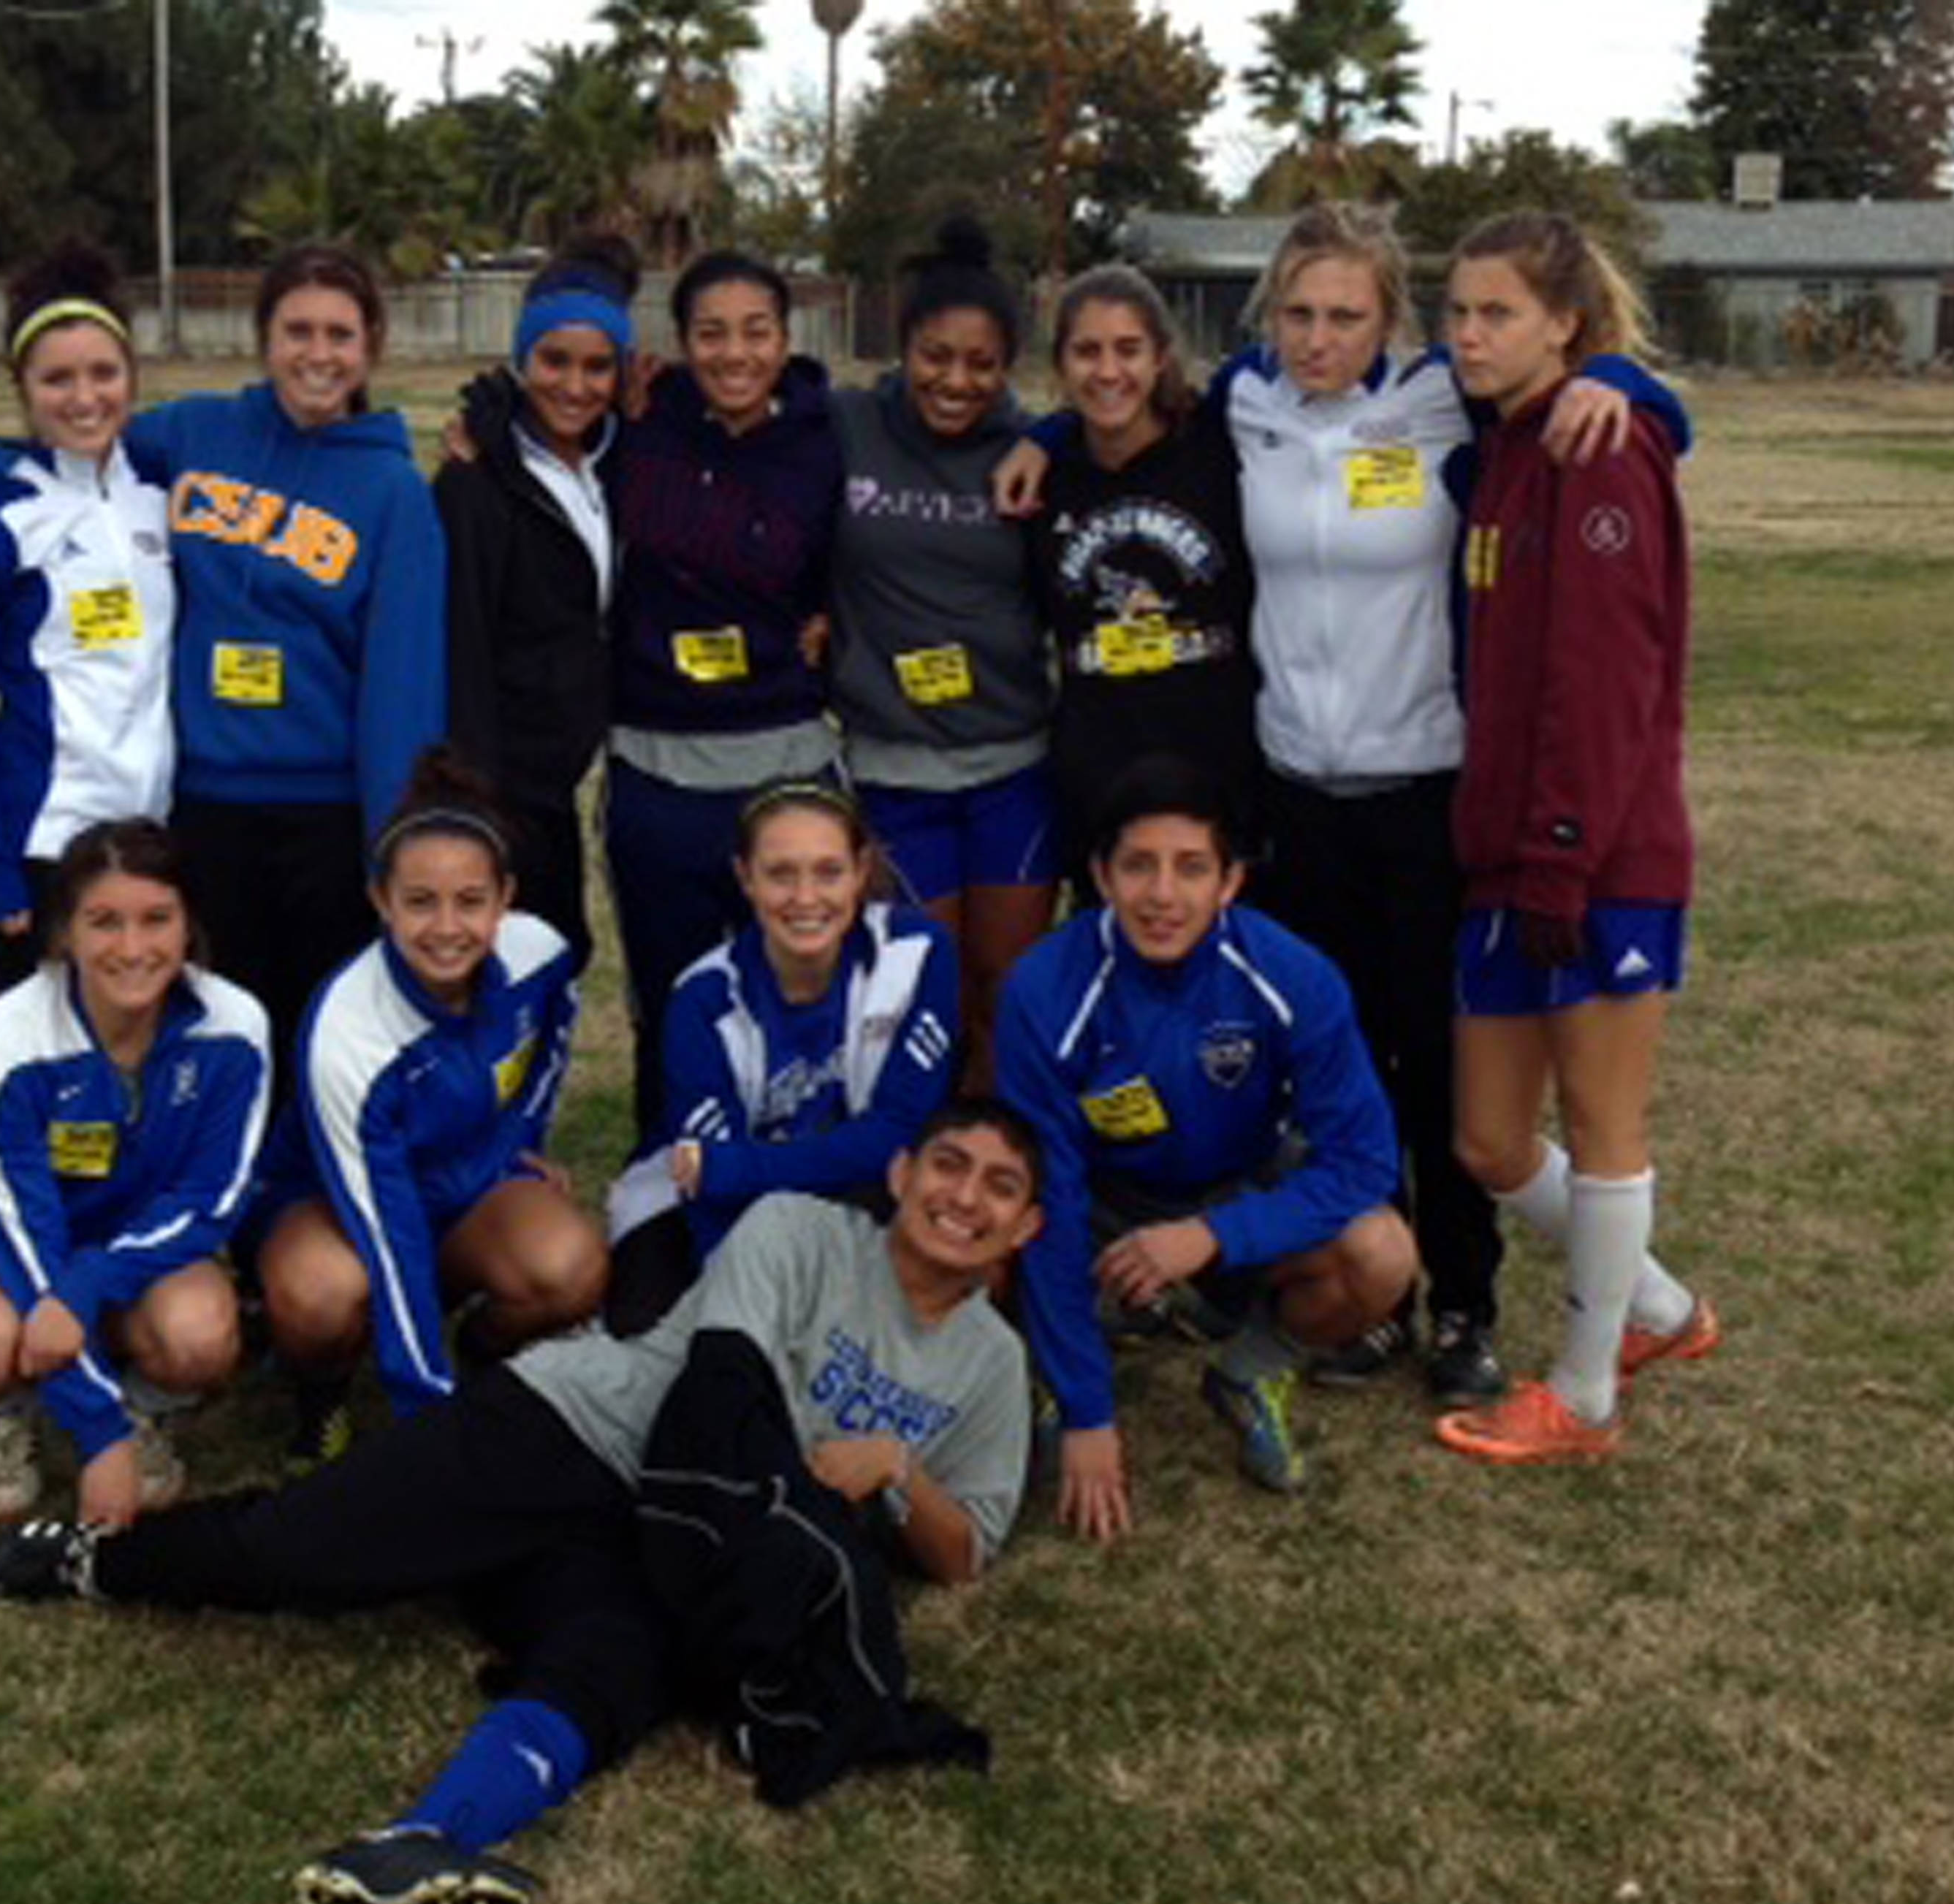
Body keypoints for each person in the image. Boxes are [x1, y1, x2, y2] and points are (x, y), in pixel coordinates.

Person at [0, 1104, 1049, 1904]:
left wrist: (900, 1470)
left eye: (1001, 1188)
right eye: (948, 1167)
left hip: (668, 1543)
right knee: (306, 1552)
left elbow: (964, 1555)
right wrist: (809, 1511)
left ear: (1027, 1225)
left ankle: (418, 1845)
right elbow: (719, 1402)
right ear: (902, 1174)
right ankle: (87, 1558)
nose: (966, 1198)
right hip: (578, 1431)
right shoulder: (800, 1228)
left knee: (611, 1676)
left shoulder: (992, 1368)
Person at [1003, 204, 1690, 1406]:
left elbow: (1587, 393)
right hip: (1290, 793)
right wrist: (1048, 432)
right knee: (1324, 1064)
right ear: (1270, 319)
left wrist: (1631, 382)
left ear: (1393, 321)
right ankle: (1367, 1299)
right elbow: (1127, 404)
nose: (1319, 340)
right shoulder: (1246, 406)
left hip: (1424, 788)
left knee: (1436, 1065)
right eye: (1300, 315)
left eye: (1348, 317)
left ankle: (1466, 1304)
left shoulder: (1446, 402)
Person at [1432, 213, 1718, 1466]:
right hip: (1504, 856)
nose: (1468, 336)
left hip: (1599, 859)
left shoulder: (1602, 450)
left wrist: (1559, 849)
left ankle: (1587, 1395)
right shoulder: (1500, 450)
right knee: (1487, 1139)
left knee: (1606, 1126)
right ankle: (1658, 1307)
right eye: (1455, 312)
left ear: (1566, 325)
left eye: (1497, 314)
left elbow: (1601, 684)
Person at [994, 758, 1420, 1538]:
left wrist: (1213, 1237)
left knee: (1384, 1254)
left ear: (1230, 883)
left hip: (1234, 1193)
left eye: (1191, 868)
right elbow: (1047, 1191)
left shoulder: (1293, 975)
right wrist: (1090, 1411)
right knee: (981, 1232)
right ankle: (1059, 1366)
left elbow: (1364, 1162)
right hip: (1100, 1207)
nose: (1162, 895)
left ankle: (1250, 1368)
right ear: (1099, 874)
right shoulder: (1043, 989)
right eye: (1138, 866)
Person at [127, 243, 446, 1078]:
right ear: (263, 337)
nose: (318, 353)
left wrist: (393, 843)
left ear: (371, 346)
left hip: (325, 816)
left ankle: (309, 1202)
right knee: (213, 1026)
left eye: (340, 334)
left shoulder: (393, 490)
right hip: (203, 802)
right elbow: (81, 435)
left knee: (316, 1035)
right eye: (297, 330)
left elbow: (402, 688)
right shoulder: (195, 431)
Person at [0, 818, 270, 1526]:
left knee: (199, 1335)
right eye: (104, 922)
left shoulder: (235, 1027)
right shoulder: (1, 1045)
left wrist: (84, 1290)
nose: (133, 948)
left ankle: (146, 1409)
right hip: (6, 1242)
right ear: (63, 934)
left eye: (156, 920)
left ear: (188, 925)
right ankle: (8, 1412)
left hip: (149, 1248)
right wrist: (99, 1439)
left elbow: (209, 1201)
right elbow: (19, 1230)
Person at [251, 753, 604, 1465]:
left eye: (471, 901)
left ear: (505, 898)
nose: (447, 927)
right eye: (420, 902)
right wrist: (427, 1417)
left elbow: (554, 1037)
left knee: (569, 1267)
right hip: (343, 1209)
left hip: (468, 1187)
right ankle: (322, 1400)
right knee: (324, 1294)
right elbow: (385, 1227)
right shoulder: (347, 1031)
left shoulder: (541, 954)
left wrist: (523, 1137)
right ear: (381, 900)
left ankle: (480, 1352)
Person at [602, 251, 843, 1136]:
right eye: (711, 332)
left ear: (786, 340)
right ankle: (664, 1197)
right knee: (673, 1002)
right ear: (680, 342)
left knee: (798, 989)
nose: (734, 353)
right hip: (656, 765)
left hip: (782, 759)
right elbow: (544, 410)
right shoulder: (644, 419)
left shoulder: (826, 438)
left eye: (756, 331)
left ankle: (800, 1185)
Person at [823, 216, 1053, 1081]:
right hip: (893, 768)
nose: (956, 381)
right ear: (903, 347)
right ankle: (917, 1178)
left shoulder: (1034, 450)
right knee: (924, 993)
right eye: (935, 356)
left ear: (1007, 369)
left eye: (981, 364)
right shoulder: (846, 426)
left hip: (1012, 770)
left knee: (1007, 990)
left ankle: (992, 1168)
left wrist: (1050, 438)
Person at [601, 782, 961, 1330]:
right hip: (707, 1209)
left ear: (862, 870)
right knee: (648, 1340)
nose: (806, 898)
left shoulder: (920, 956)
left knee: (919, 1288)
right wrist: (743, 1302)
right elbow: (707, 1195)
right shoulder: (702, 998)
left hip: (861, 1190)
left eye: (828, 872)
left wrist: (735, 1167)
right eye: (780, 874)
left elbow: (898, 1136)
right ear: (745, 877)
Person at [0, 243, 175, 994]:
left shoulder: (165, 489)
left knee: (143, 1060)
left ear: (132, 377)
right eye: (57, 378)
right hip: (44, 841)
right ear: (22, 388)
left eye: (104, 373)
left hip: (154, 836)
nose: (84, 398)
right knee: (44, 1076)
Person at [435, 237, 641, 972]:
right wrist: (475, 803)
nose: (575, 387)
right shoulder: (477, 479)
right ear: (523, 362)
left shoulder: (622, 461)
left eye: (597, 366)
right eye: (555, 362)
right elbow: (462, 643)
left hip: (565, 775)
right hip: (503, 782)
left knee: (560, 960)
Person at [1018, 267, 1261, 882]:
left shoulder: (1219, 448)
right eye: (1086, 351)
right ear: (1059, 363)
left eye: (1128, 350)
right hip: (1099, 775)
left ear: (1161, 358)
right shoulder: (1042, 481)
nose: (1107, 372)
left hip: (1220, 769)